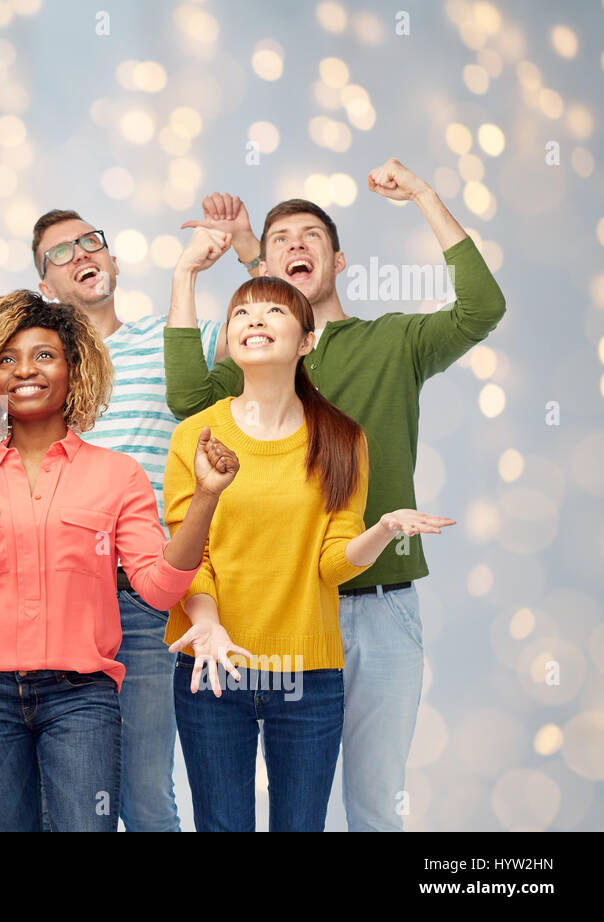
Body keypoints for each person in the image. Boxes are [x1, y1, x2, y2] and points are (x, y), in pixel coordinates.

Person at [164, 158, 505, 831]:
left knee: (374, 807)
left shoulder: (392, 343)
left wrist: (425, 196)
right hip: (271, 613)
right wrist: (208, 267)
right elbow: (186, 399)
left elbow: (482, 309)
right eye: (279, 238)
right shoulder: (251, 364)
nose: (296, 245)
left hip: (375, 607)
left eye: (311, 236)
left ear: (341, 260)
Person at [0, 289, 235, 832]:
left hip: (81, 697)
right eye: (6, 358)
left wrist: (205, 497)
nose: (25, 370)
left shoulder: (119, 475)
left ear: (74, 368)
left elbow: (158, 590)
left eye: (44, 355)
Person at [23, 207, 226, 831]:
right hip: (56, 597)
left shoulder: (172, 344)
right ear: (44, 287)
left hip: (143, 594)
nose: (81, 253)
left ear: (112, 260)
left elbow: (272, 324)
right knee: (70, 800)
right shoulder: (39, 372)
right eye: (60, 252)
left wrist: (234, 249)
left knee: (143, 791)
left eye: (91, 242)